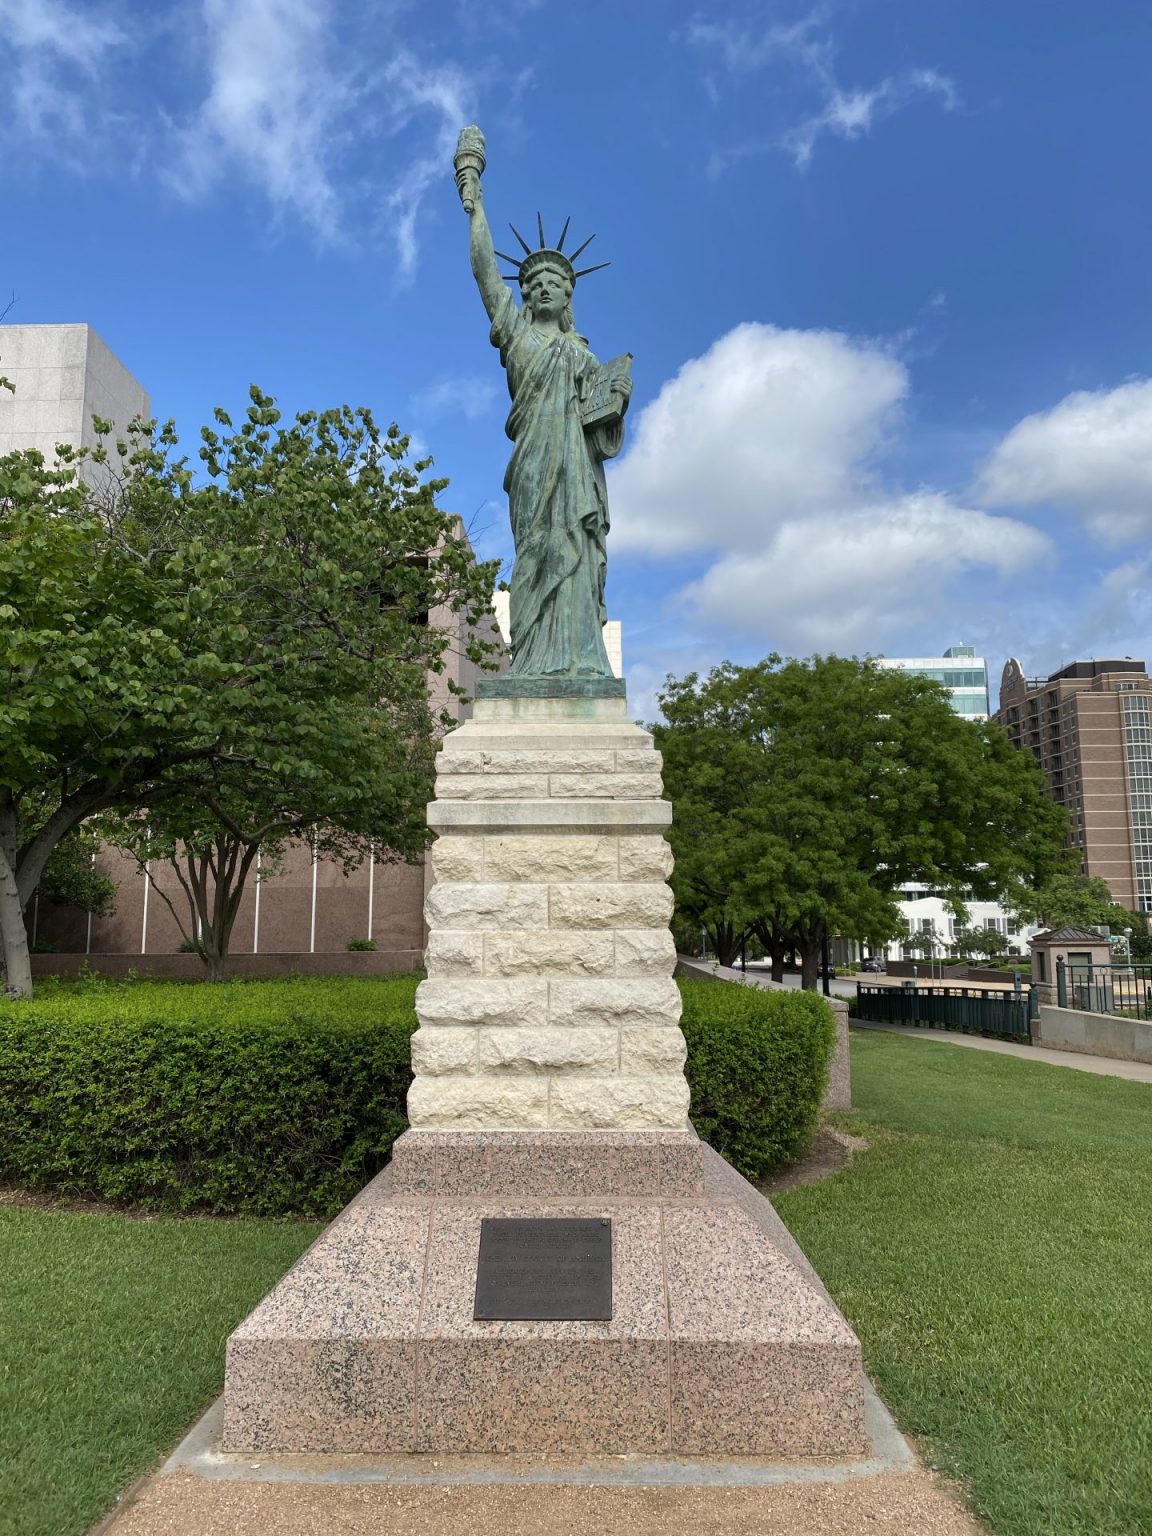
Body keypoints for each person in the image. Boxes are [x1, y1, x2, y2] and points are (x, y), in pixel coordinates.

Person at [456, 150, 630, 680]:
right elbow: (486, 271)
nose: (546, 286)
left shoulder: (583, 354)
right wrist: (475, 202)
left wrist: (615, 400)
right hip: (534, 464)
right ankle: (530, 661)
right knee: (535, 552)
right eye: (535, 283)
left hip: (578, 469)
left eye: (557, 281)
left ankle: (581, 662)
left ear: (569, 295)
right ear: (526, 295)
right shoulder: (517, 336)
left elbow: (598, 432)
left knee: (576, 550)